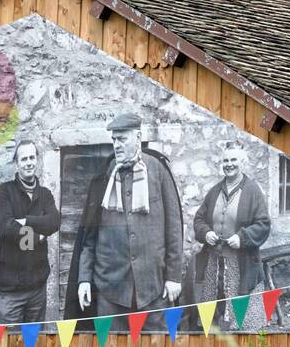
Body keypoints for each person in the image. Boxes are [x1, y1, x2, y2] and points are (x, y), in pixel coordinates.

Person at [71, 111, 184, 328]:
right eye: (114, 139)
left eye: (122, 139)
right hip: (110, 290)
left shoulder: (158, 172)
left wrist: (174, 277)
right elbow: (89, 236)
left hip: (152, 288)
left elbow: (174, 228)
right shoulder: (104, 176)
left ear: (138, 138)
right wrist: (84, 278)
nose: (117, 145)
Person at [193, 144, 270, 325]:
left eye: (233, 160)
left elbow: (263, 224)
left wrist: (242, 238)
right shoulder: (214, 191)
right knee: (212, 311)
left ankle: (243, 341)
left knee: (242, 314)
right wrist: (206, 233)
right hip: (213, 260)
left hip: (241, 261)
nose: (229, 164)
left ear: (242, 163)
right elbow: (199, 220)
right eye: (225, 160)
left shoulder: (252, 191)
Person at [0, 140, 61, 324]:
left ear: (37, 160)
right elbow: (7, 229)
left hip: (37, 287)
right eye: (24, 159)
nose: (29, 162)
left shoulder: (45, 194)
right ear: (17, 163)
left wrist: (26, 221)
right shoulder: (4, 192)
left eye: (32, 157)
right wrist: (38, 237)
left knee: (34, 345)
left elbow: (55, 222)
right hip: (11, 290)